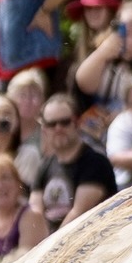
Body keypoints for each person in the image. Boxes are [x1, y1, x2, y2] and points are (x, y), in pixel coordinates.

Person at [73, 0, 132, 141]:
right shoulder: (107, 58)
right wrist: (103, 52)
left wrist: (122, 115)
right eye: (126, 24)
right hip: (97, 135)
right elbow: (84, 84)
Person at [30, 93, 115, 230]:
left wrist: (49, 246)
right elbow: (35, 213)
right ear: (44, 129)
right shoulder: (44, 165)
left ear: (77, 123)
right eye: (51, 124)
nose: (58, 128)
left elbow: (78, 213)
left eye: (65, 122)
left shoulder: (96, 162)